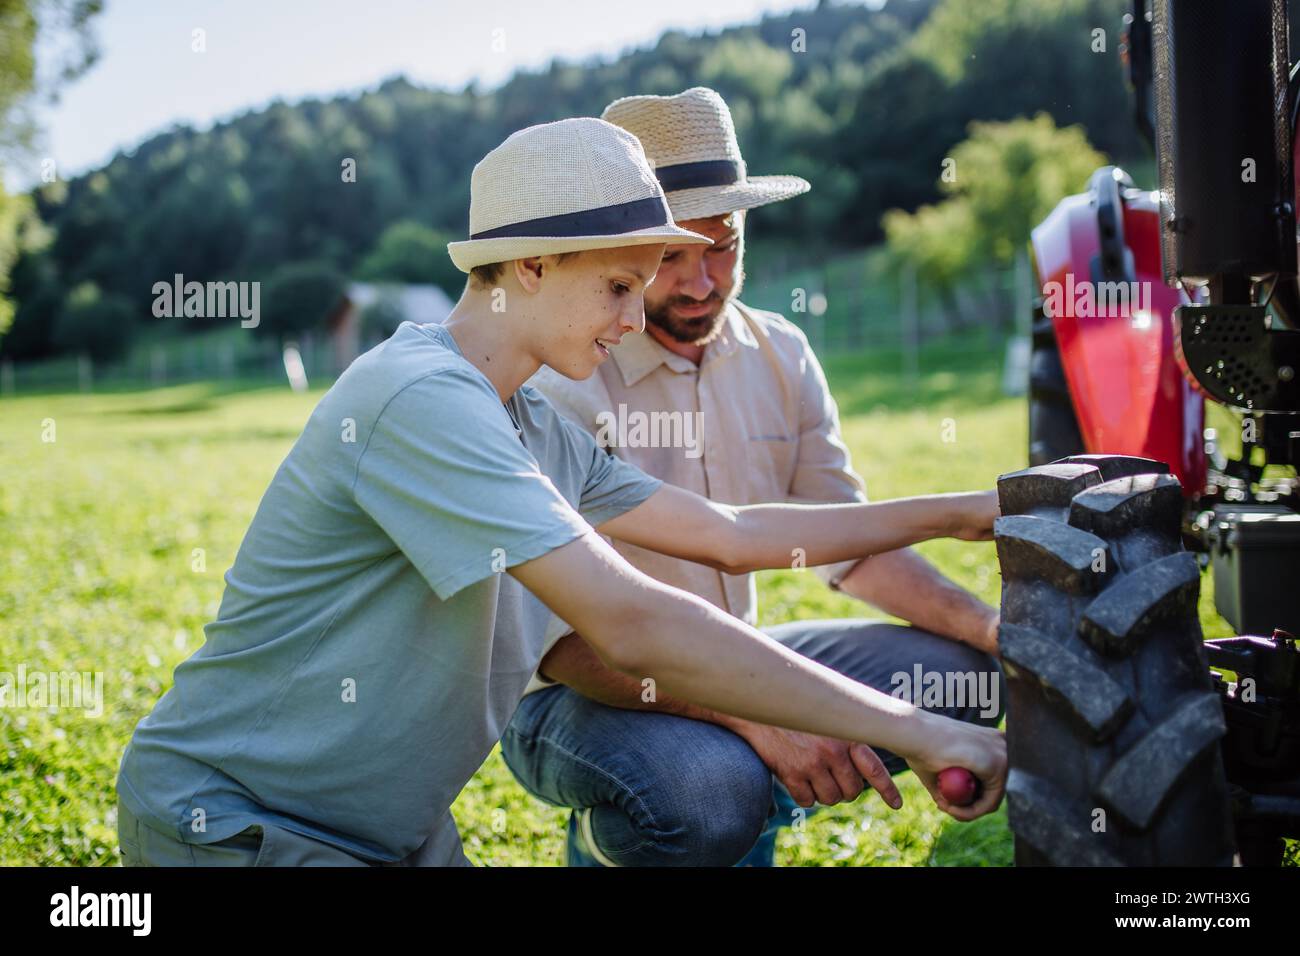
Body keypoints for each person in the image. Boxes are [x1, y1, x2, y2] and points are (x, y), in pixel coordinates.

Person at [114, 116, 1005, 868]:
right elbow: (631, 622)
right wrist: (921, 729)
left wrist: (966, 511)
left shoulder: (536, 423)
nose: (633, 317)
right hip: (239, 824)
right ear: (530, 267)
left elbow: (731, 534)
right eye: (620, 286)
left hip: (396, 837)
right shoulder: (421, 398)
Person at [502, 88, 1006, 867]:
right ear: (619, 249)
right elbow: (563, 645)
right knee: (708, 791)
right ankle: (639, 826)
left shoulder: (783, 354)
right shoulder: (560, 383)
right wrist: (762, 721)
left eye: (723, 245)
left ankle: (726, 813)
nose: (703, 281)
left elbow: (853, 547)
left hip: (737, 654)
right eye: (670, 256)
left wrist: (990, 629)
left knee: (965, 678)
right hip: (575, 694)